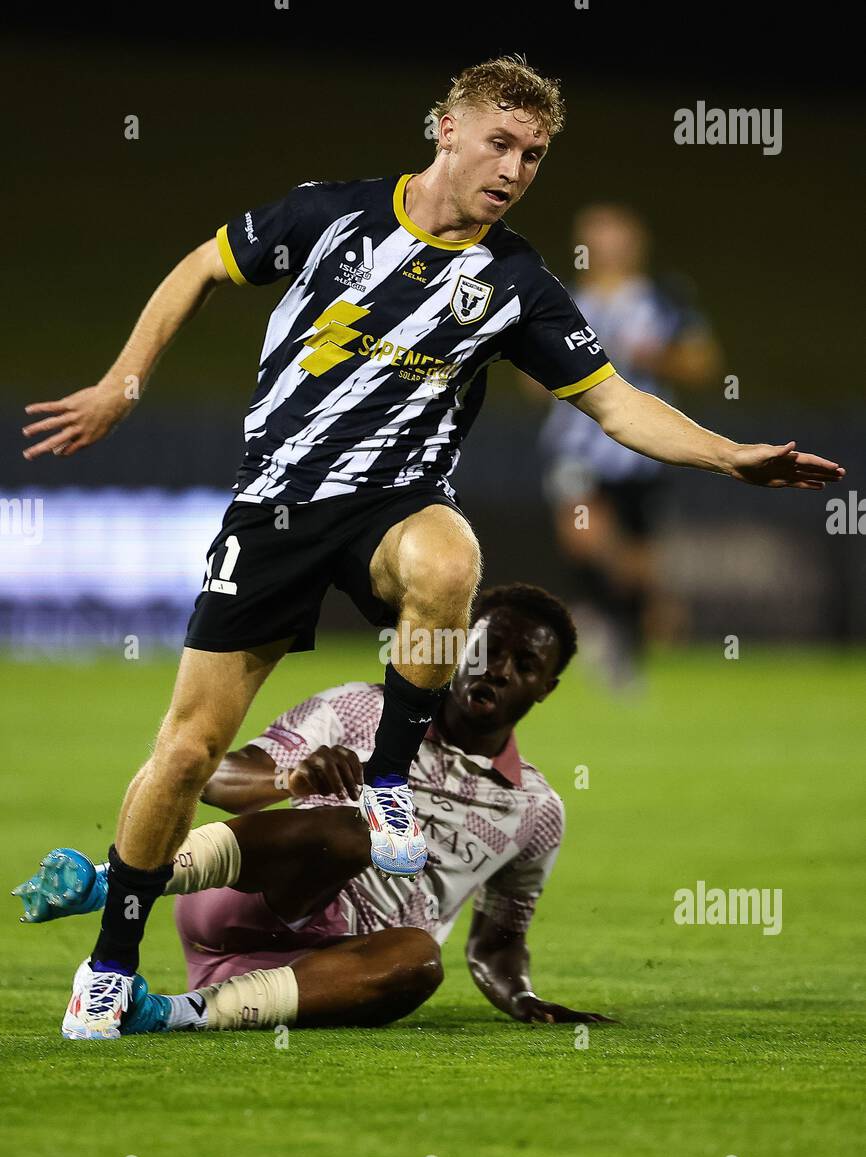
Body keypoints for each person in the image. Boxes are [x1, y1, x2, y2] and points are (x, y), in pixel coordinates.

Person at [19, 54, 844, 1039]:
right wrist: (122, 382)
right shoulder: (333, 215)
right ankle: (107, 967)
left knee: (449, 558)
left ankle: (385, 783)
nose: (513, 167)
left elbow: (614, 399)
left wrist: (726, 454)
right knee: (187, 750)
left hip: (394, 506)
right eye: (499, 142)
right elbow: (203, 264)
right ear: (445, 129)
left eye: (533, 154)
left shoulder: (513, 281)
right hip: (274, 512)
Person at [15, 586, 616, 1033]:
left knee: (419, 960)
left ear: (545, 688)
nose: (500, 669)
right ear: (458, 648)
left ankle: (170, 1014)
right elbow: (214, 774)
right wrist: (288, 776)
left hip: (327, 973)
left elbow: (498, 943)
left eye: (525, 665)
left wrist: (521, 997)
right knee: (352, 832)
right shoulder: (361, 708)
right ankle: (105, 883)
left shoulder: (535, 810)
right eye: (488, 649)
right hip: (242, 901)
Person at [524, 203, 723, 685]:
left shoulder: (662, 302)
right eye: (595, 237)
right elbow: (532, 383)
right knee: (585, 532)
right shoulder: (561, 300)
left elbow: (704, 364)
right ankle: (618, 615)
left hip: (643, 450)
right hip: (577, 448)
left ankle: (623, 633)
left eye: (614, 238)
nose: (605, 248)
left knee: (638, 559)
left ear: (635, 244)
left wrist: (657, 358)